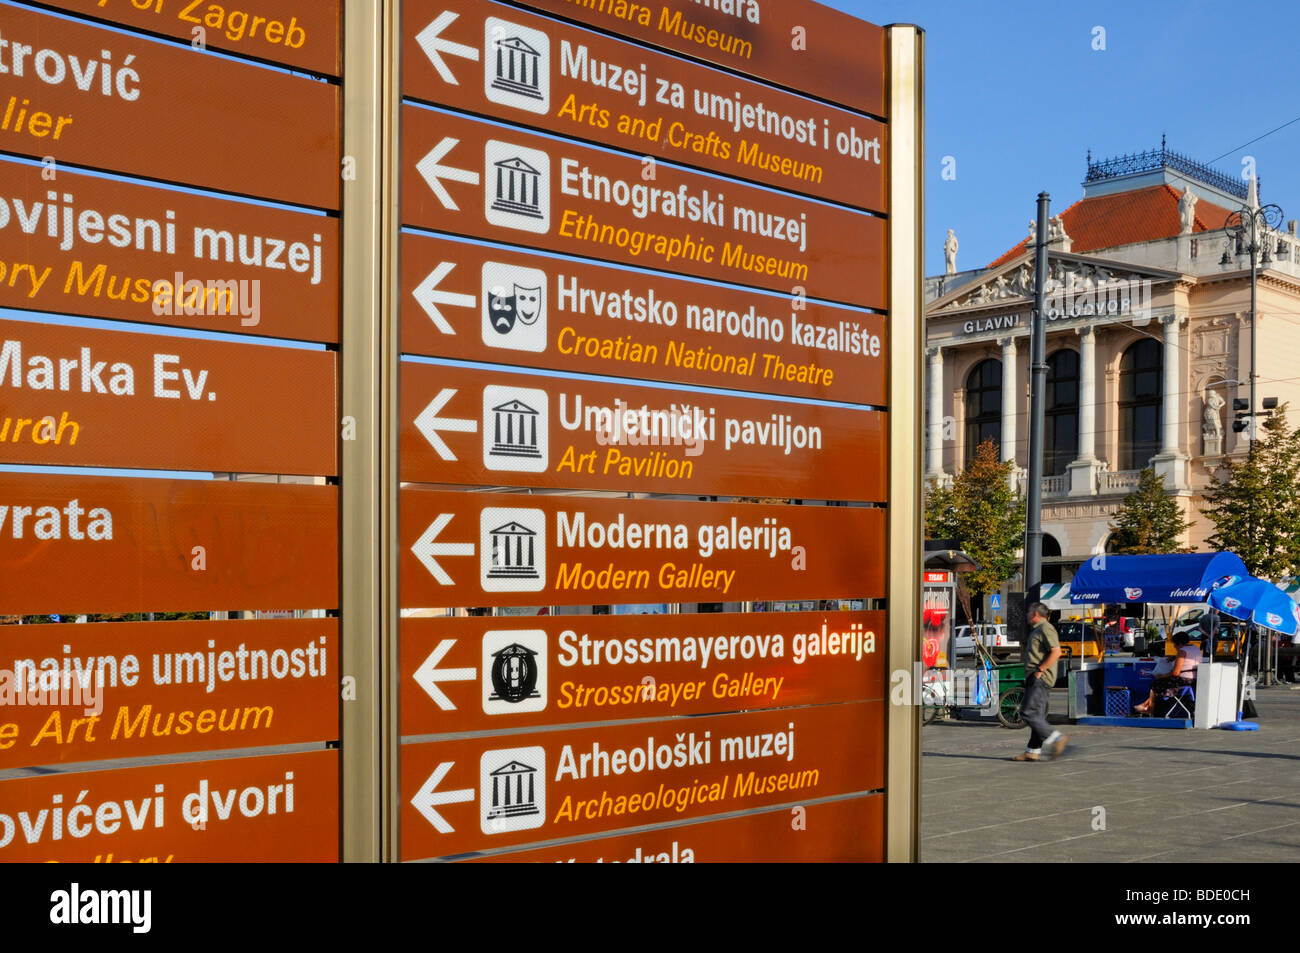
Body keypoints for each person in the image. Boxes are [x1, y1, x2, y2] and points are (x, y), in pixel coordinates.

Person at [1013, 602, 1068, 762]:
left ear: (1036, 614)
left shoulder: (1046, 628)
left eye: (1029, 612)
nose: (1027, 615)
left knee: (1028, 712)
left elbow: (1056, 652)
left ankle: (1057, 738)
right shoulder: (1038, 629)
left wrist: (1040, 670)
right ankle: (1032, 751)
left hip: (1040, 677)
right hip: (1037, 676)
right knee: (1037, 715)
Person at [1133, 631, 1201, 713]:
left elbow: (1175, 673)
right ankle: (1147, 705)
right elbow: (1188, 658)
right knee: (1158, 684)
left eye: (1175, 644)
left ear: (1179, 643)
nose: (1174, 647)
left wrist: (1161, 676)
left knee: (1156, 684)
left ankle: (1150, 708)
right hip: (1194, 680)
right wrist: (1175, 657)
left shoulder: (1182, 651)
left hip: (1184, 681)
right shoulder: (1195, 648)